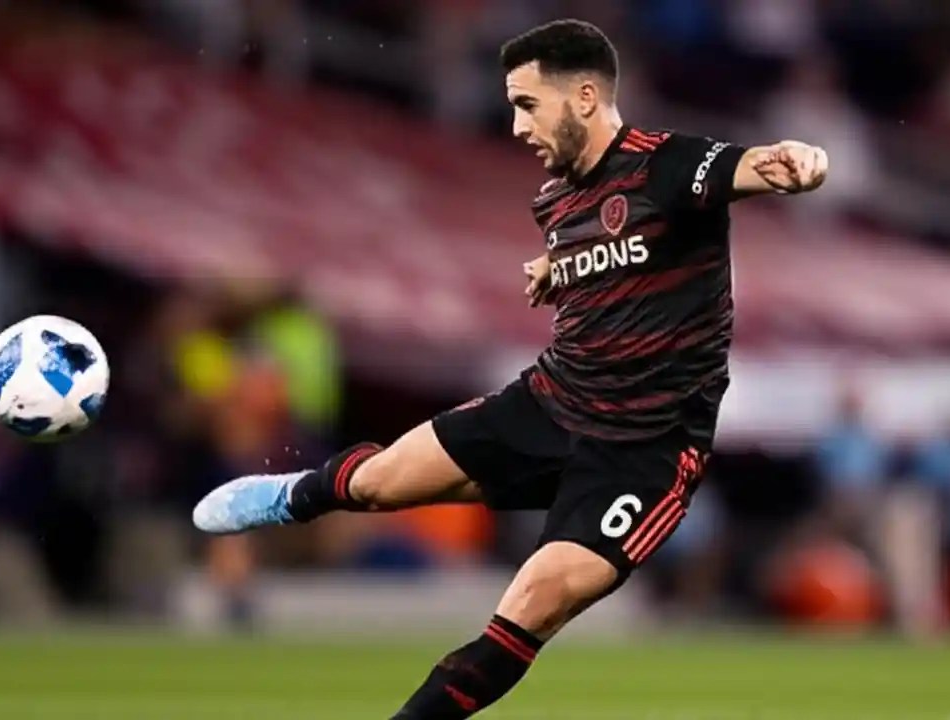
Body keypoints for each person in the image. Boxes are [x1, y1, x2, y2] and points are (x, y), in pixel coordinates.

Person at [193, 18, 828, 719]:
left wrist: (798, 162)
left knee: (532, 603)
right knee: (376, 485)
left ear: (584, 97)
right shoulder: (555, 202)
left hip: (643, 452)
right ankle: (291, 497)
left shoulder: (670, 165)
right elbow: (616, 252)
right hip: (551, 405)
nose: (517, 125)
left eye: (527, 104)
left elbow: (752, 165)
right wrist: (558, 268)